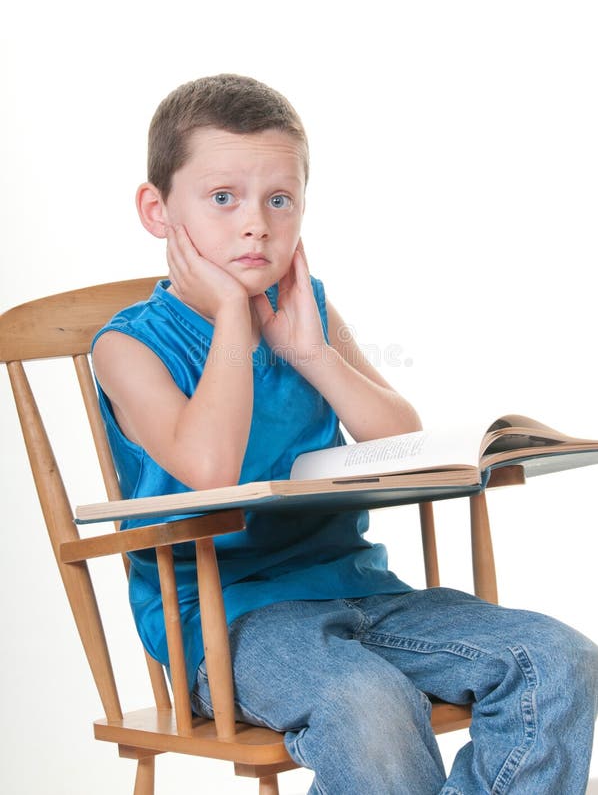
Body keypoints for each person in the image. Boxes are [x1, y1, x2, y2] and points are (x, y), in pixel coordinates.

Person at [92, 73, 598, 794]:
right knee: (369, 703)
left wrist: (313, 355)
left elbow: (398, 438)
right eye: (223, 198)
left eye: (279, 200)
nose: (255, 225)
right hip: (231, 622)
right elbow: (209, 467)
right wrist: (234, 317)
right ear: (157, 209)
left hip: (362, 587)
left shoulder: (307, 314)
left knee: (556, 657)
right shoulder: (129, 347)